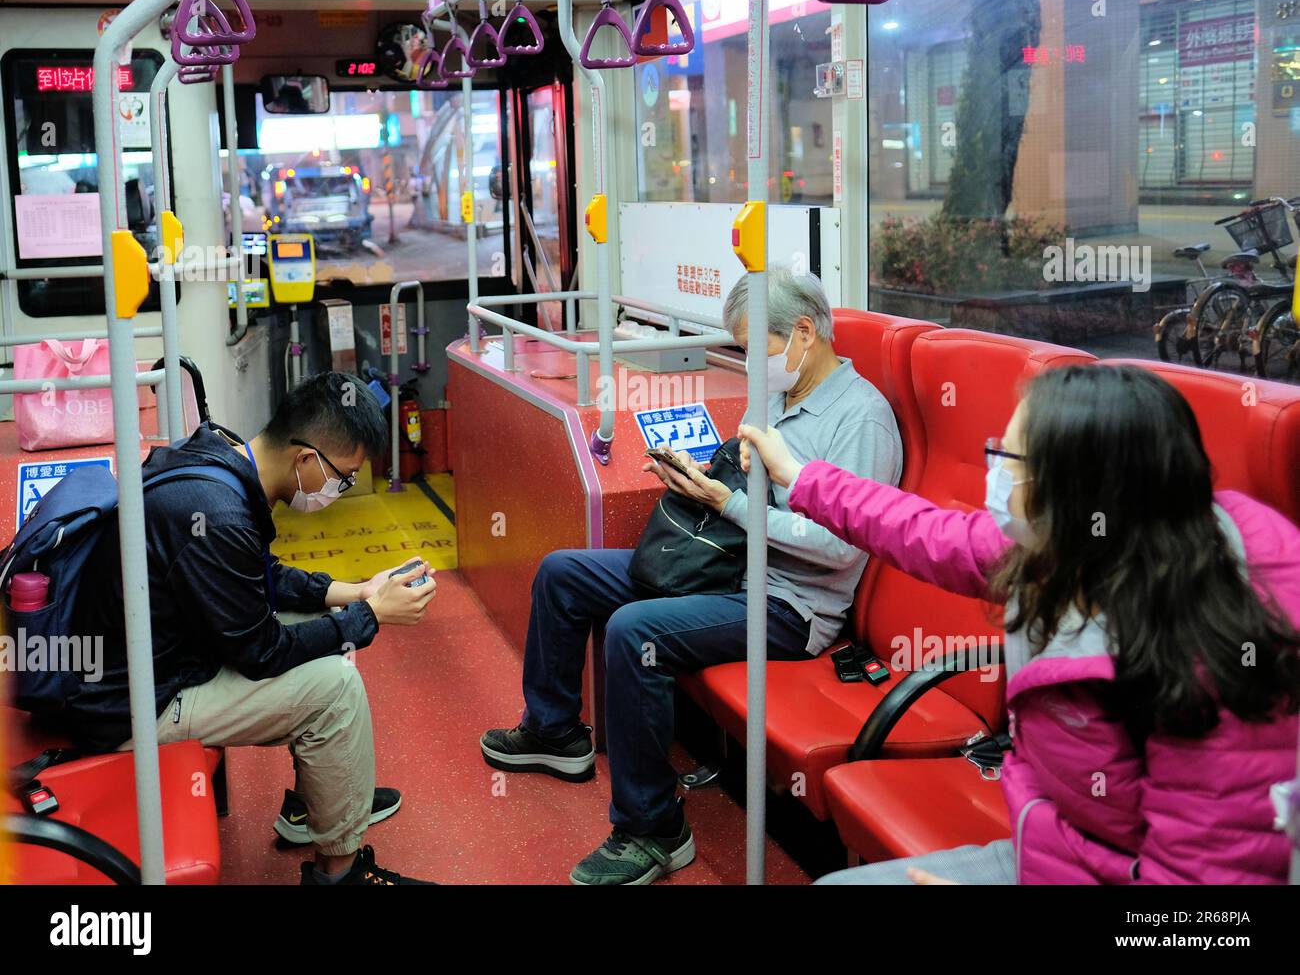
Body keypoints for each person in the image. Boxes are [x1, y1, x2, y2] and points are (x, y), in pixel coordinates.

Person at [738, 363, 1300, 885]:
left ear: (1078, 490)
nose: (997, 477)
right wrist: (801, 477)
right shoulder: (1077, 542)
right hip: (1056, 843)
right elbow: (927, 534)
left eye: (1013, 461)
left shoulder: (1217, 664)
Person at [481, 268, 904, 885]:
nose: (750, 364)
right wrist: (699, 483)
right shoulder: (775, 397)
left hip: (788, 604)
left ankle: (654, 828)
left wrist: (727, 505)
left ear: (804, 333)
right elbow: (743, 488)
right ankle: (555, 732)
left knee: (634, 630)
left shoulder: (861, 421)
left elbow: (840, 549)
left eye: (755, 348)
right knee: (563, 573)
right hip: (727, 566)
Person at [60, 371, 439, 886]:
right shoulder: (219, 514)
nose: (341, 489)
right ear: (306, 459)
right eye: (343, 477)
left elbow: (258, 574)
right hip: (133, 708)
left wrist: (356, 591)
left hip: (155, 660)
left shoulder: (223, 455)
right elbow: (262, 652)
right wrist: (370, 618)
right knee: (336, 689)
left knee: (326, 625)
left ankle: (317, 803)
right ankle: (340, 875)